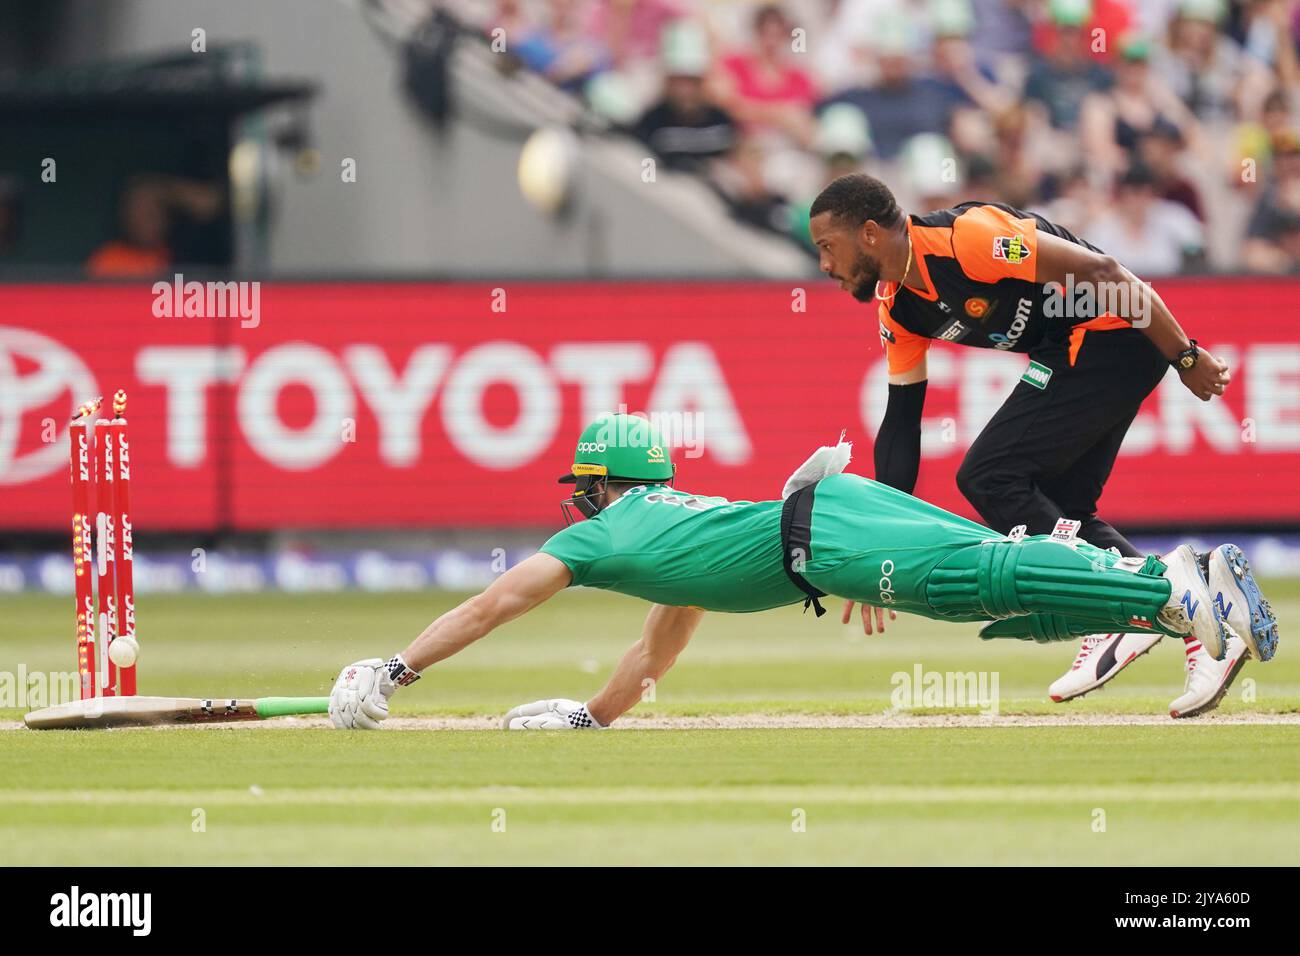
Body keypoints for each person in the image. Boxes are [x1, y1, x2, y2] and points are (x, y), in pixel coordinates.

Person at [327, 414, 1278, 730]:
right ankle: (1174, 604)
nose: (573, 502)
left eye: (585, 486)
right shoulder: (665, 538)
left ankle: (1170, 589)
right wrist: (591, 714)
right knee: (996, 580)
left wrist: (394, 668)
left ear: (607, 484)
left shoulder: (603, 536)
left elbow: (494, 604)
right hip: (831, 523)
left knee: (980, 586)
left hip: (824, 533)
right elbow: (662, 639)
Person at [805, 172, 1264, 712]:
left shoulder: (969, 239)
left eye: (827, 248)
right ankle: (1192, 615)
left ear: (870, 234)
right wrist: (884, 543)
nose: (825, 266)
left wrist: (1184, 354)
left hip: (1116, 334)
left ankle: (1129, 605)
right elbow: (902, 422)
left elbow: (1104, 270)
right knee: (1064, 515)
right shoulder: (899, 308)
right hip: (1072, 350)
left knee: (988, 475)